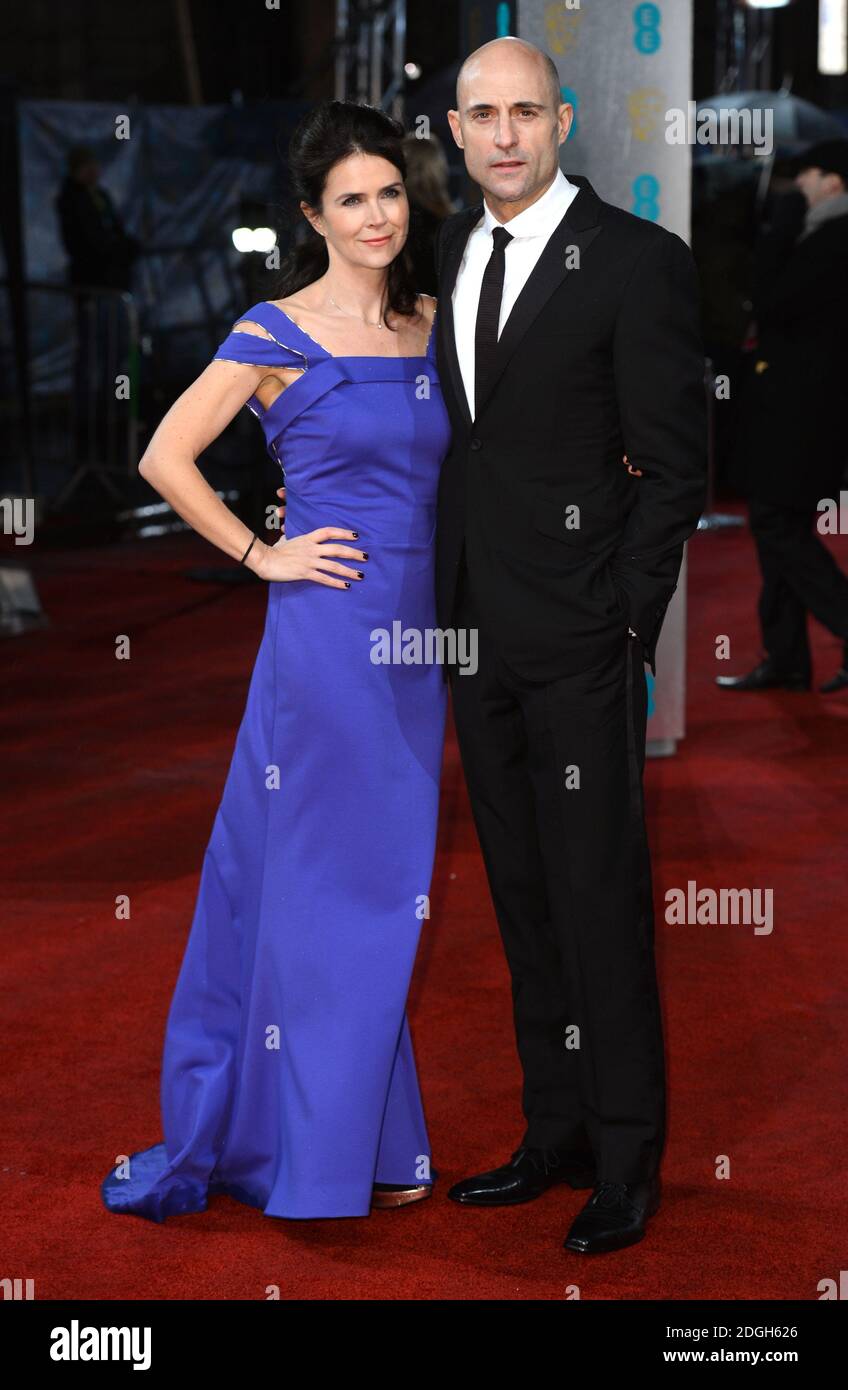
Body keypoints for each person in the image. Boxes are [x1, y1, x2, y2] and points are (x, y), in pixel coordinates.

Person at [101, 100, 451, 1221]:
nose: (375, 214)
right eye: (349, 198)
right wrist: (262, 552)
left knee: (388, 891)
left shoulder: (436, 322)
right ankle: (314, 1152)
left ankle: (369, 1137)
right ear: (313, 214)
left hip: (422, 640)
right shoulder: (274, 328)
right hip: (326, 639)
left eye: (388, 190)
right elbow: (163, 454)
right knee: (321, 892)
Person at [433, 38, 707, 1254]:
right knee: (523, 893)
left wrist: (625, 621)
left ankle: (625, 1156)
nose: (503, 134)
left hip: (579, 637)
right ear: (451, 129)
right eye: (482, 115)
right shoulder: (452, 251)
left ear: (565, 120)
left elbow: (674, 466)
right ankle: (551, 1135)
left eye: (525, 112)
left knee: (597, 895)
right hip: (473, 631)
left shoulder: (636, 263)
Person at [719, 139, 848, 694]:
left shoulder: (835, 237)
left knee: (777, 522)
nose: (798, 185)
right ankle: (788, 657)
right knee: (778, 523)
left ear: (835, 182)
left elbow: (772, 299)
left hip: (809, 412)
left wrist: (781, 226)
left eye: (809, 175)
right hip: (794, 408)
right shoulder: (819, 233)